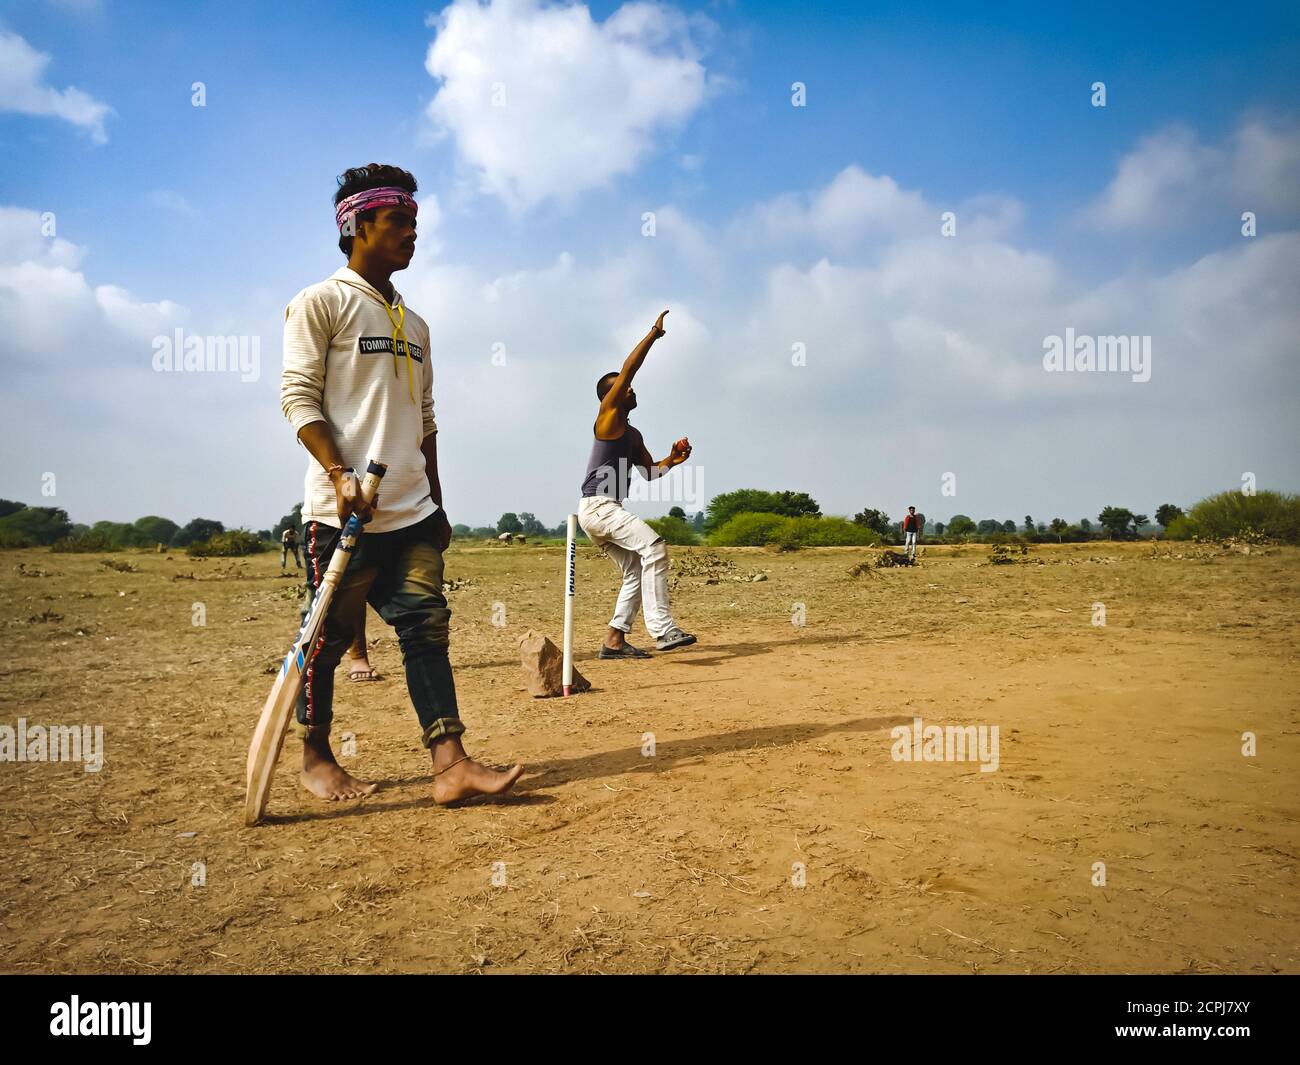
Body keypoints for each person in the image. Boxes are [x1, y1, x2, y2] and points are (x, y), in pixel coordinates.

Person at [281, 162, 522, 805]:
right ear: (359, 226)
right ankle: (316, 756)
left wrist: (437, 500)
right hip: (343, 511)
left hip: (410, 509)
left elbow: (425, 419)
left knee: (425, 629)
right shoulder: (320, 302)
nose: (412, 234)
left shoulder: (415, 325)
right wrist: (338, 473)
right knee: (327, 641)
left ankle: (451, 765)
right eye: (399, 223)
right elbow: (297, 399)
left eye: (415, 224)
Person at [577, 309, 696, 658]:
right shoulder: (607, 419)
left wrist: (673, 459)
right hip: (599, 508)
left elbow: (650, 472)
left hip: (602, 511)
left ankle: (613, 640)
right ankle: (663, 631)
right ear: (610, 398)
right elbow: (629, 368)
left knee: (635, 570)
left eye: (628, 386)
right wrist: (653, 335)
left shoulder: (632, 433)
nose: (630, 388)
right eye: (623, 388)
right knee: (655, 548)